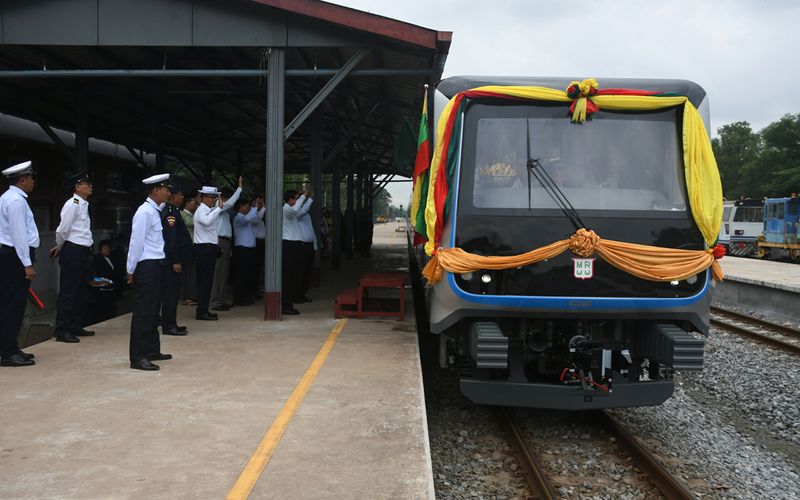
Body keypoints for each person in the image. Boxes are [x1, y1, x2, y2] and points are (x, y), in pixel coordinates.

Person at [127, 173, 172, 371]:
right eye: (165, 189)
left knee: (154, 311)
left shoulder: (155, 210)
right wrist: (130, 269)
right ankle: (138, 356)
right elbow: (136, 242)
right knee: (144, 312)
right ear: (155, 191)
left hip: (156, 264)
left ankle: (152, 349)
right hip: (146, 266)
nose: (168, 192)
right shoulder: (144, 212)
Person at [0, 161, 39, 367]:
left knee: (12, 304)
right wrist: (27, 263)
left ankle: (11, 347)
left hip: (11, 256)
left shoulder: (10, 198)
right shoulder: (15, 201)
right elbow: (19, 235)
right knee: (12, 305)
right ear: (22, 180)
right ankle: (8, 352)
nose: (33, 182)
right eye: (31, 178)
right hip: (15, 256)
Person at [49, 172, 95, 343]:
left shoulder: (83, 204)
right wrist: (59, 246)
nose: (90, 186)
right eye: (87, 183)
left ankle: (75, 324)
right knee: (69, 291)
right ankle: (62, 329)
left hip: (82, 251)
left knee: (80, 290)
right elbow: (63, 229)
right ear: (77, 187)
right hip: (72, 250)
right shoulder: (72, 204)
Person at [160, 184, 192, 336]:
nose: (182, 197)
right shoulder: (170, 212)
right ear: (173, 196)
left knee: (173, 293)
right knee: (171, 294)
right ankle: (169, 325)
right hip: (173, 261)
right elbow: (171, 240)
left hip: (177, 260)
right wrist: (176, 260)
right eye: (180, 194)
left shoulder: (174, 211)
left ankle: (172, 323)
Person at [193, 185, 226, 320]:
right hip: (204, 249)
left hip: (209, 249)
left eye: (214, 197)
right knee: (204, 282)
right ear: (203, 198)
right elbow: (207, 221)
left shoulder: (208, 210)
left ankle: (203, 309)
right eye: (211, 197)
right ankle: (202, 311)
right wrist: (218, 209)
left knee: (207, 281)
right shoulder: (202, 210)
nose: (213, 200)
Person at [210, 181, 242, 311]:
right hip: (219, 240)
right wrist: (239, 189)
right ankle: (214, 301)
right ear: (222, 197)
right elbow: (229, 204)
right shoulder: (218, 205)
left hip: (225, 241)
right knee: (218, 273)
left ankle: (219, 299)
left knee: (223, 273)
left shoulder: (222, 209)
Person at [281, 189, 311, 315]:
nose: (297, 201)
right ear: (290, 199)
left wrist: (308, 199)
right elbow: (296, 209)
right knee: (289, 276)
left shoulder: (291, 211)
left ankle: (289, 303)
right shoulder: (287, 209)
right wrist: (303, 196)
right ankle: (286, 305)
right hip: (290, 244)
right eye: (296, 198)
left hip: (294, 244)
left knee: (294, 276)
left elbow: (302, 210)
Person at [232, 197, 262, 305]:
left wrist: (259, 208)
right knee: (241, 275)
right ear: (241, 207)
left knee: (248, 275)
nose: (248, 208)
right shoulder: (238, 218)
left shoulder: (247, 218)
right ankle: (238, 299)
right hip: (242, 250)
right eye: (247, 206)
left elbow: (257, 219)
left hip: (249, 250)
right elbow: (248, 219)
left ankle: (245, 297)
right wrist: (255, 208)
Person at [296, 188, 316, 304]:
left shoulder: (306, 214)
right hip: (301, 247)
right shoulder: (295, 213)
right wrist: (310, 199)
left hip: (308, 246)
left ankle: (302, 294)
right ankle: (297, 294)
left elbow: (311, 230)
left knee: (307, 272)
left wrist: (315, 245)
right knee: (299, 272)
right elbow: (302, 209)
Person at [91, 239, 118, 324]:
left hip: (111, 286)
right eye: (105, 248)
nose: (107, 250)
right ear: (100, 249)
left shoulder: (112, 258)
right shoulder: (98, 259)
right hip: (103, 287)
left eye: (108, 248)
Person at [180, 196, 198, 305]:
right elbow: (191, 223)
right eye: (194, 203)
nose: (196, 205)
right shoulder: (182, 214)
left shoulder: (191, 215)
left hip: (192, 245)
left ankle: (190, 295)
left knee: (191, 272)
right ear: (187, 203)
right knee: (187, 272)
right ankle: (187, 296)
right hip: (187, 247)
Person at [252, 195, 266, 299]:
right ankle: (255, 289)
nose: (260, 205)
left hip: (262, 243)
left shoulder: (260, 215)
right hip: (255, 243)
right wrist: (261, 207)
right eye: (258, 203)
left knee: (261, 267)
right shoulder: (251, 215)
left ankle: (259, 288)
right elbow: (256, 220)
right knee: (255, 267)